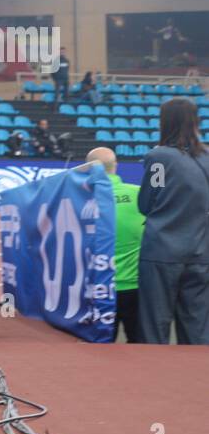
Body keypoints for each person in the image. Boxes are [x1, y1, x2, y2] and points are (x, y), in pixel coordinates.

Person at [136, 98, 209, 345]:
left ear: (165, 122)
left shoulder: (158, 157)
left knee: (154, 326)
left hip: (162, 251)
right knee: (197, 329)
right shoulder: (207, 156)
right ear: (195, 121)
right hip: (201, 252)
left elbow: (146, 203)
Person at [85, 147, 145, 343]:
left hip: (95, 289)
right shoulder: (139, 194)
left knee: (97, 349)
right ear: (116, 166)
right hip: (134, 286)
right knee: (140, 346)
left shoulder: (80, 199)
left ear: (88, 168)